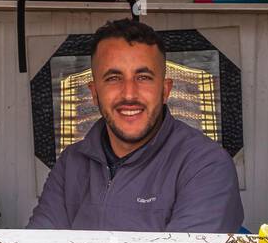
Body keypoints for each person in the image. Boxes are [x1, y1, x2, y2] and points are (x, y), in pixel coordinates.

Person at [27, 18, 244, 232]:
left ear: (165, 90)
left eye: (143, 77)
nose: (129, 94)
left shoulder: (205, 164)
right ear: (94, 93)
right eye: (113, 78)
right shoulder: (71, 163)